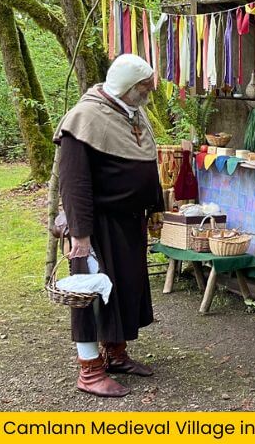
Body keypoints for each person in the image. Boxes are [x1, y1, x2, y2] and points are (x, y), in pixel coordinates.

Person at [54, 54, 163, 397]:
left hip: (128, 222)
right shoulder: (84, 118)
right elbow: (74, 183)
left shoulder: (131, 111)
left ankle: (115, 354)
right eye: (145, 86)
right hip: (95, 226)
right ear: (129, 87)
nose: (149, 91)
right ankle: (89, 370)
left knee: (124, 289)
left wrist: (155, 207)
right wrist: (81, 236)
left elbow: (146, 161)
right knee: (88, 294)